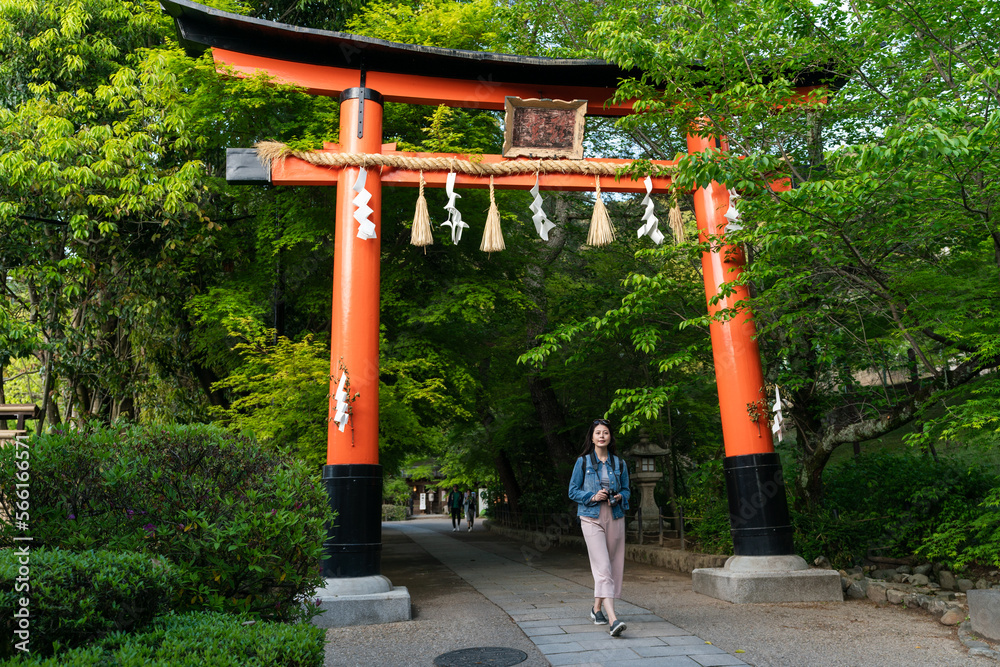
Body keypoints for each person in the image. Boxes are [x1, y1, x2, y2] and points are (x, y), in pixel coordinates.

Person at [568, 418, 631, 637]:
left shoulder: (619, 463)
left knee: (612, 566)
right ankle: (613, 619)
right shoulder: (583, 462)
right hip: (591, 516)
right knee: (603, 566)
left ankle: (596, 609)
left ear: (610, 436)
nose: (602, 436)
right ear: (592, 437)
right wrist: (592, 496)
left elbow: (627, 490)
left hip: (615, 515)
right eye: (598, 433)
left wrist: (621, 496)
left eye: (605, 432)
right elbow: (572, 491)